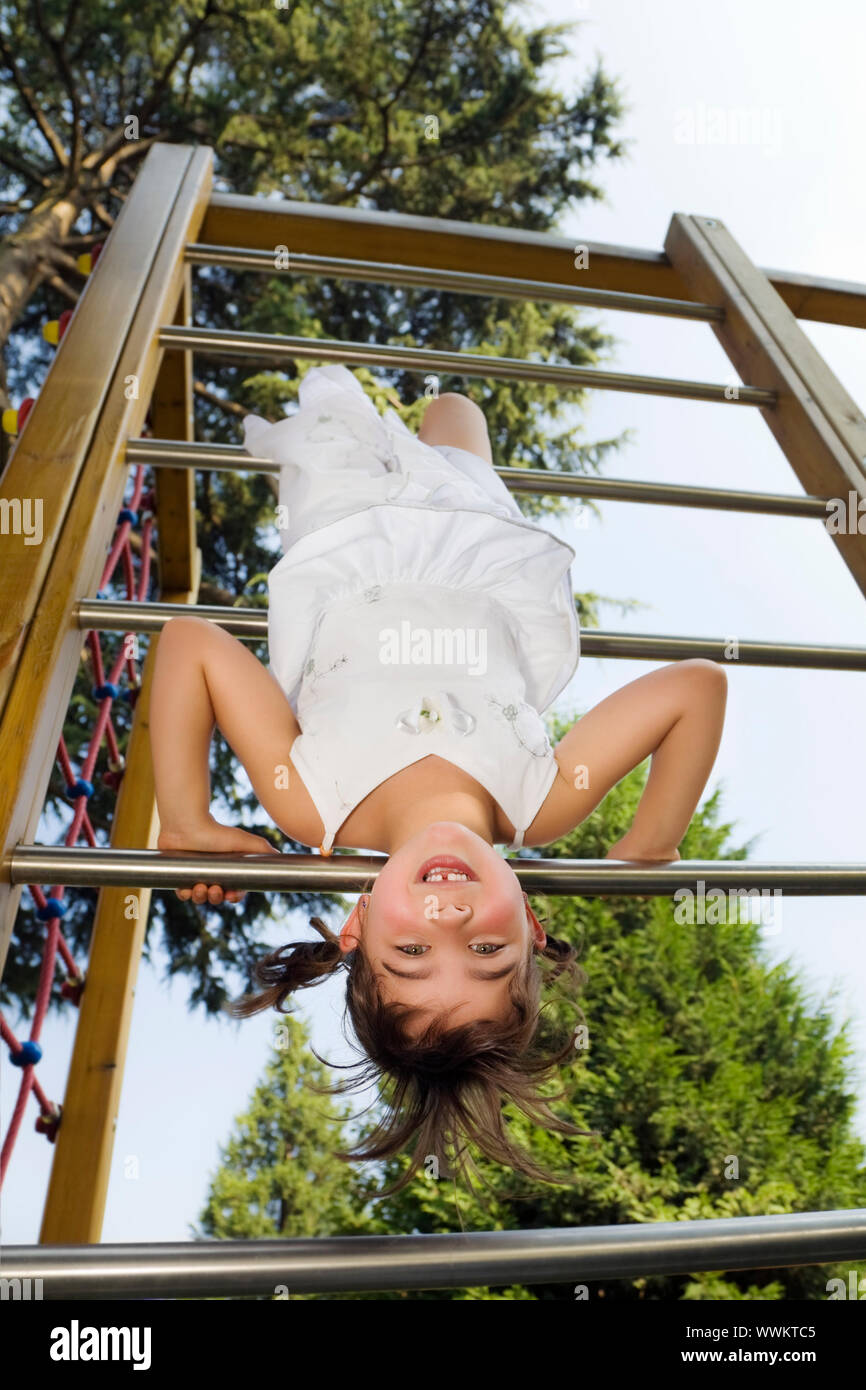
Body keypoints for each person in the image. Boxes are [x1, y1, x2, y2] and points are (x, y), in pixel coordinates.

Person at [149, 363, 727, 1188]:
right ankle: (436, 394)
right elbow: (697, 688)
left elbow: (189, 644)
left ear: (354, 929)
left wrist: (187, 820)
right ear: (530, 921)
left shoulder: (313, 804)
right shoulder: (542, 800)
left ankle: (371, 395)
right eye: (487, 948)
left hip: (349, 531)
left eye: (413, 949)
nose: (449, 915)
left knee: (336, 419)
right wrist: (648, 848)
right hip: (475, 541)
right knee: (457, 410)